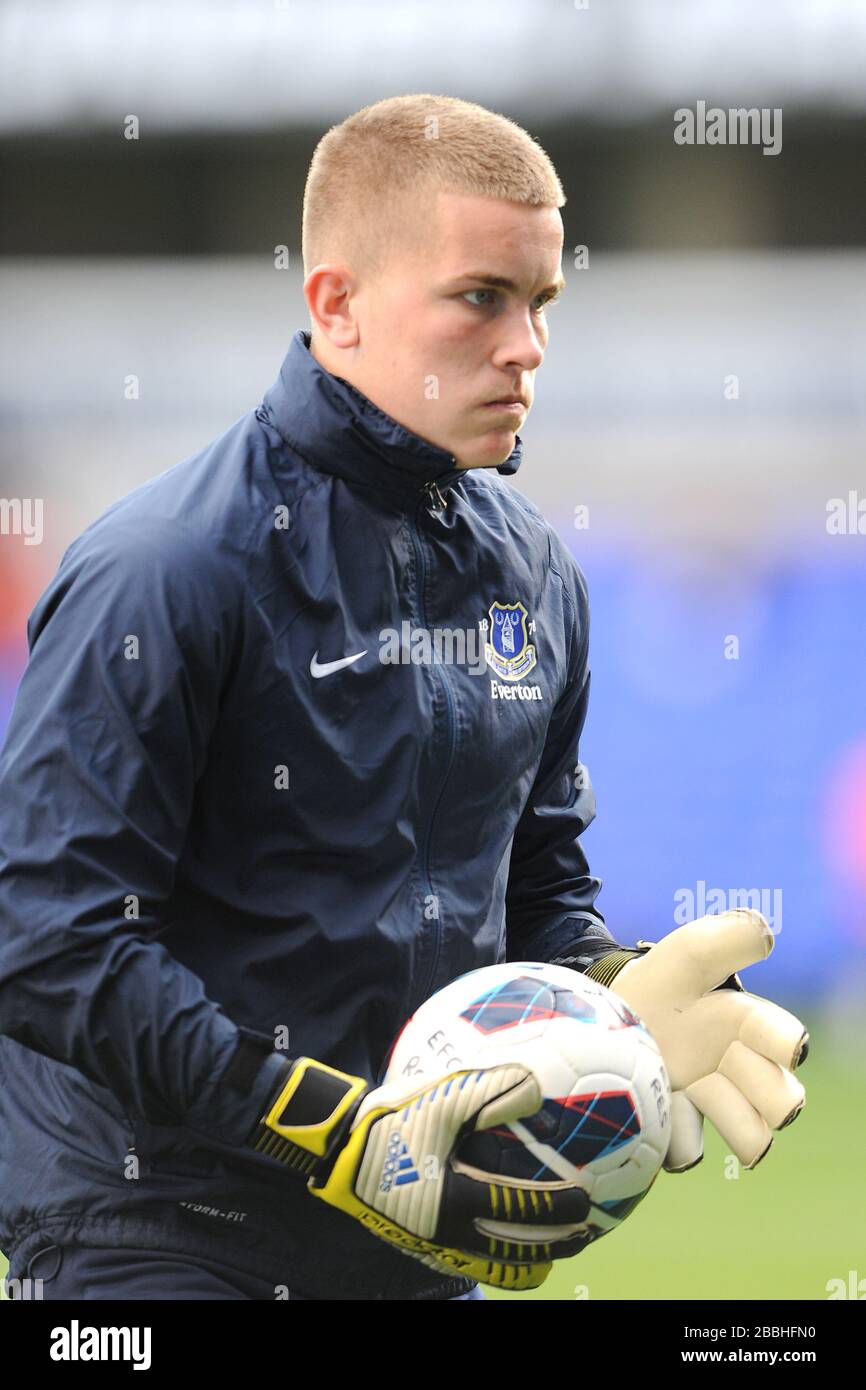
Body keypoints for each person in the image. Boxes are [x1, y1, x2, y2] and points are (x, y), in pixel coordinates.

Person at [0, 94, 807, 1303]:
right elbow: (51, 942)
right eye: (480, 297)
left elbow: (531, 889)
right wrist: (330, 1132)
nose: (525, 346)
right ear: (336, 304)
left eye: (540, 301)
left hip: (419, 1240)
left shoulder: (532, 572)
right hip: (153, 1235)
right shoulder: (165, 568)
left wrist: (605, 993)